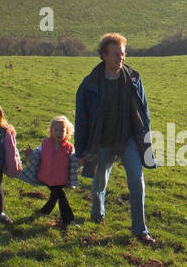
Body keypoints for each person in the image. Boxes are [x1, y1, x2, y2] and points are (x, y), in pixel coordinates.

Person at [74, 32, 157, 244]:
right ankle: (97, 214)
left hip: (129, 139)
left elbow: (144, 113)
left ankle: (140, 230)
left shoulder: (133, 79)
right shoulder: (89, 85)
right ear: (103, 55)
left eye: (123, 54)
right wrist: (81, 151)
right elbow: (81, 119)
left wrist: (145, 143)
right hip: (102, 140)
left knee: (137, 183)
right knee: (99, 182)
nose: (120, 58)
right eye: (115, 54)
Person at [19, 115, 80, 227]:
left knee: (55, 196)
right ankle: (68, 220)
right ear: (51, 131)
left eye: (62, 130)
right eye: (56, 130)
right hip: (46, 177)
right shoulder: (45, 144)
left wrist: (81, 161)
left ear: (67, 132)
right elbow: (36, 155)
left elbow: (74, 161)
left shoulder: (69, 147)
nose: (59, 133)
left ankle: (44, 211)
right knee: (61, 196)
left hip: (60, 179)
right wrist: (30, 154)